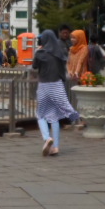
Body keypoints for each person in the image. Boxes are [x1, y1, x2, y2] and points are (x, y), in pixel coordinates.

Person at [32, 29, 78, 157]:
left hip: (44, 86)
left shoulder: (40, 53)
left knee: (41, 115)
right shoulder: (60, 53)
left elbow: (34, 67)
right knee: (54, 117)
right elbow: (63, 70)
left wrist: (39, 50)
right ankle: (56, 147)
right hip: (57, 85)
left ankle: (47, 138)